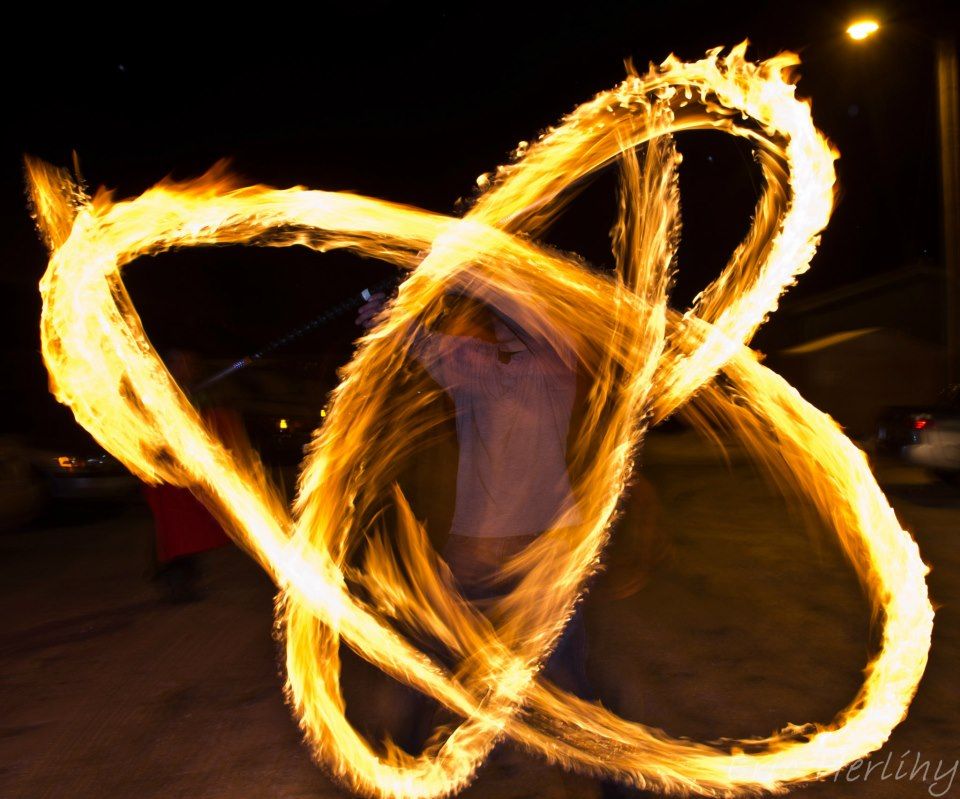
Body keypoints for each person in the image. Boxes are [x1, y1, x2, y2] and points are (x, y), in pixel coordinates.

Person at [355, 290, 591, 697]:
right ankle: (462, 720)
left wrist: (472, 273)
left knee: (553, 663)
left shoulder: (546, 368)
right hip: (490, 540)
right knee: (461, 654)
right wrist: (390, 315)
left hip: (534, 540)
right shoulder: (482, 372)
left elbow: (523, 317)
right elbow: (422, 341)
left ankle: (567, 718)